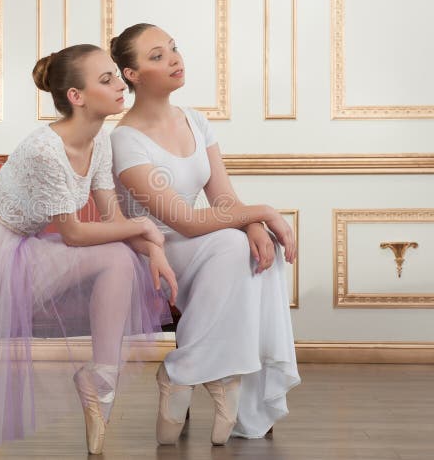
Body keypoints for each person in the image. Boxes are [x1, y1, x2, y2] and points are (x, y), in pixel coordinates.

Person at [0, 43, 177, 454]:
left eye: (116, 76)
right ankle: (100, 381)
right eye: (106, 79)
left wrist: (154, 246)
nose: (120, 84)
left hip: (24, 246)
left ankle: (100, 381)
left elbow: (111, 221)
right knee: (116, 254)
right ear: (76, 97)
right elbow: (73, 235)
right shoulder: (44, 149)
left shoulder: (100, 141)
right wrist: (145, 227)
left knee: (121, 255)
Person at [109, 23, 301, 445]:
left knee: (252, 248)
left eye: (173, 49)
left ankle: (204, 377)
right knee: (234, 245)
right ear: (131, 74)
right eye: (156, 56)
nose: (174, 59)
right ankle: (198, 372)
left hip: (201, 242)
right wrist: (265, 212)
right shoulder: (125, 139)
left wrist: (253, 224)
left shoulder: (196, 121)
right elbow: (182, 221)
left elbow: (223, 199)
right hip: (151, 249)